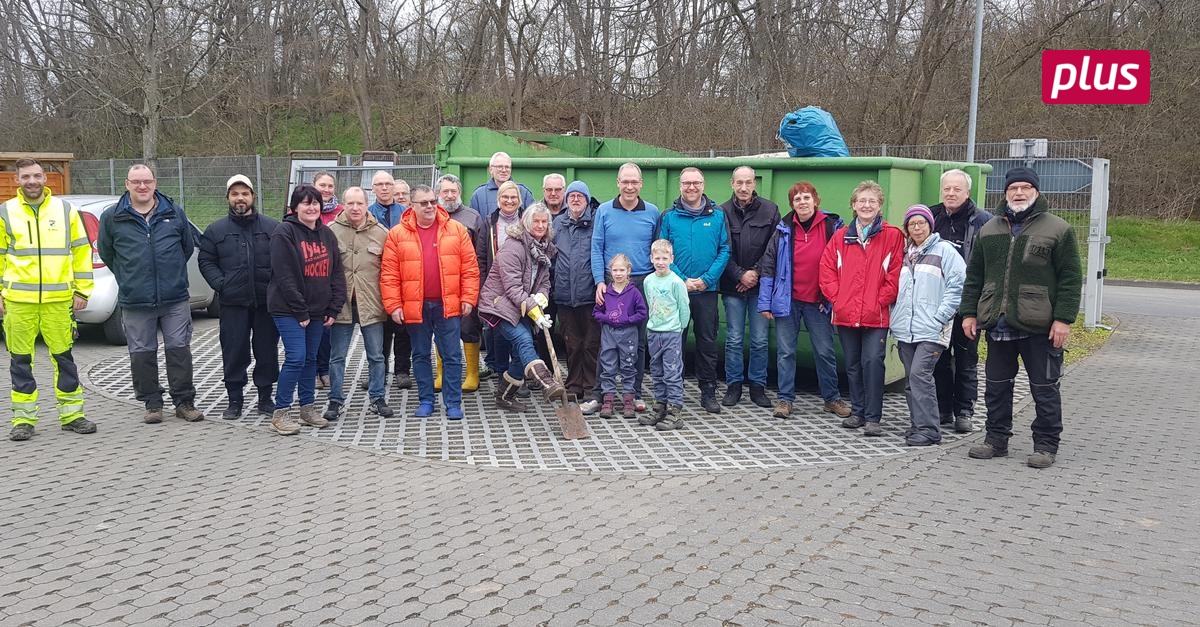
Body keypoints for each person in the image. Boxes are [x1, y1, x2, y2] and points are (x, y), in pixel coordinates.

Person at [961, 168, 1081, 468]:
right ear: (1005, 193)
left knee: (1044, 387)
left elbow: (1070, 278)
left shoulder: (1058, 229)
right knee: (997, 386)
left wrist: (1063, 319)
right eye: (1013, 188)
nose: (1019, 193)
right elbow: (974, 276)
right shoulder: (989, 230)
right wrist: (969, 312)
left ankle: (1046, 444)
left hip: (1040, 326)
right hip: (998, 323)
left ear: (1036, 192)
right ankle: (996, 440)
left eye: (1026, 187)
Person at [98, 164, 206, 424]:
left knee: (179, 350)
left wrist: (169, 274)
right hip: (136, 299)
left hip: (174, 297)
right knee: (142, 353)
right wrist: (129, 276)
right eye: (136, 182)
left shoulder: (174, 213)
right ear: (127, 184)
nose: (142, 186)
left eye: (146, 181)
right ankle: (152, 403)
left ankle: (184, 402)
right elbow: (107, 253)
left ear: (155, 183)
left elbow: (186, 247)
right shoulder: (112, 217)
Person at [2, 158, 96, 441]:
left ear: (45, 178)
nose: (32, 181)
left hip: (58, 300)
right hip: (18, 301)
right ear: (17, 180)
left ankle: (72, 415)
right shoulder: (5, 212)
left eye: (37, 175)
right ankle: (23, 420)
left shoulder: (65, 210)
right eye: (26, 176)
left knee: (64, 359)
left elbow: (81, 252)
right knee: (20, 361)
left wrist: (82, 291)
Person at [381, 185, 480, 420]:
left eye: (433, 202)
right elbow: (389, 274)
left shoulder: (456, 230)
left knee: (452, 355)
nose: (429, 206)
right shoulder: (397, 234)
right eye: (423, 202)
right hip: (416, 305)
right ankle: (426, 400)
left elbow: (470, 268)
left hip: (448, 305)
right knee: (421, 354)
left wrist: (468, 298)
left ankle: (453, 402)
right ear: (411, 206)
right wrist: (394, 305)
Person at [758, 182, 852, 420]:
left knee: (824, 352)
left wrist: (834, 297)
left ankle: (831, 399)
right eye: (797, 199)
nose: (802, 202)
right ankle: (785, 400)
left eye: (806, 197)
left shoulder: (833, 226)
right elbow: (768, 266)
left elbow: (844, 264)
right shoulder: (783, 229)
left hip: (819, 302)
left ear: (815, 200)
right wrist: (765, 302)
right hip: (787, 301)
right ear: (792, 204)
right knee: (786, 352)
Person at [819, 180, 904, 436]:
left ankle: (874, 417)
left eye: (872, 201)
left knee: (872, 362)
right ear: (853, 205)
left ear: (879, 206)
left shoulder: (892, 235)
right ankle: (858, 412)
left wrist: (880, 300)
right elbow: (826, 271)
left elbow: (896, 273)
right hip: (845, 314)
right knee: (853, 364)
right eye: (861, 201)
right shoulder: (840, 236)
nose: (866, 205)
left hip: (876, 315)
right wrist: (839, 298)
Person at [199, 174, 280, 420]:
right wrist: (221, 284)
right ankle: (235, 399)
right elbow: (206, 260)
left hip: (266, 303)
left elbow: (283, 260)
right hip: (233, 304)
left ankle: (266, 398)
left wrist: (276, 287)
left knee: (267, 351)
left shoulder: (272, 227)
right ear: (228, 198)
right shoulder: (215, 230)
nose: (240, 198)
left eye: (245, 193)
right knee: (234, 351)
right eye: (235, 194)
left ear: (253, 197)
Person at [266, 184, 346, 435]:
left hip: (318, 310)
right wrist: (300, 311)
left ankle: (307, 408)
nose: (311, 208)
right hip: (288, 309)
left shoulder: (327, 235)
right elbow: (285, 275)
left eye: (315, 203)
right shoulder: (284, 233)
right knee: (296, 357)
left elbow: (337, 273)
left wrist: (334, 307)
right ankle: (281, 412)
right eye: (305, 203)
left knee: (311, 359)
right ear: (294, 207)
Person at [890, 205, 966, 446]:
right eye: (912, 224)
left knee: (920, 375)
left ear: (930, 226)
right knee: (912, 381)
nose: (917, 227)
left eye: (921, 223)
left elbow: (958, 285)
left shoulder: (945, 251)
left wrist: (940, 316)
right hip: (906, 329)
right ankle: (918, 425)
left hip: (932, 329)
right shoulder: (904, 254)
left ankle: (930, 429)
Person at [657, 167, 731, 414]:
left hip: (706, 292)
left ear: (703, 184)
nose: (691, 187)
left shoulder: (718, 215)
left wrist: (707, 280)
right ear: (680, 186)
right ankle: (670, 392)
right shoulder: (669, 216)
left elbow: (725, 250)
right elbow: (661, 250)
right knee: (673, 342)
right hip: (675, 291)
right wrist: (681, 279)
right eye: (686, 183)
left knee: (707, 343)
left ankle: (708, 391)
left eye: (696, 183)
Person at [478, 203, 564, 411]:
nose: (540, 225)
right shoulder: (513, 246)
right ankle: (546, 382)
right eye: (536, 221)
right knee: (523, 339)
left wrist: (542, 297)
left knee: (520, 353)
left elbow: (544, 282)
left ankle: (504, 397)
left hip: (520, 306)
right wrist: (536, 313)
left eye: (544, 221)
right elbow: (513, 288)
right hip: (498, 305)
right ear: (526, 222)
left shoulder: (545, 249)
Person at [590, 163, 661, 412]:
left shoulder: (652, 212)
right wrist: (600, 280)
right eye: (625, 182)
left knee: (638, 341)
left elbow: (658, 250)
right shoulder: (604, 211)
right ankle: (601, 394)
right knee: (606, 340)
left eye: (634, 182)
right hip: (611, 282)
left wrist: (655, 283)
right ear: (618, 183)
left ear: (641, 184)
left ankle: (635, 393)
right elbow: (596, 247)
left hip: (641, 282)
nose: (629, 187)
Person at [930, 169, 991, 434]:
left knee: (966, 359)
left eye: (957, 189)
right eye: (947, 189)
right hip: (935, 303)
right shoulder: (930, 217)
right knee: (938, 358)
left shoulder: (984, 222)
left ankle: (964, 410)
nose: (951, 193)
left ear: (968, 192)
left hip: (969, 305)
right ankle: (943, 409)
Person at [324, 187, 394, 422]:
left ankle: (377, 397)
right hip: (340, 305)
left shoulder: (381, 233)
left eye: (359, 204)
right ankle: (335, 399)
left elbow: (390, 272)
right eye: (350, 203)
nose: (355, 208)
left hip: (372, 303)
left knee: (376, 355)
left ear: (367, 205)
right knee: (337, 356)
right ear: (343, 204)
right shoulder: (330, 232)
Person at [719, 166, 780, 409]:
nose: (743, 187)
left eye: (748, 182)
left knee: (759, 340)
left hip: (760, 286)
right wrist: (740, 274)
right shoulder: (721, 211)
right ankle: (733, 386)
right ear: (732, 183)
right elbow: (721, 247)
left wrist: (754, 273)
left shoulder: (770, 210)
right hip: (732, 284)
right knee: (733, 338)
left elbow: (773, 247)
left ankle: (758, 387)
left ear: (755, 183)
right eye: (739, 183)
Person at [552, 180, 602, 413]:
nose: (575, 200)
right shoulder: (558, 223)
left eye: (579, 196)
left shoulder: (596, 222)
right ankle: (573, 384)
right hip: (564, 294)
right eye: (571, 196)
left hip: (590, 295)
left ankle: (591, 387)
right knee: (572, 344)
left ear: (587, 199)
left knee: (592, 343)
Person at [436, 174, 488, 392]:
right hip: (438, 283)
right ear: (438, 194)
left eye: (453, 191)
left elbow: (480, 253)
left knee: (468, 327)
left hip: (464, 282)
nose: (449, 195)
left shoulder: (472, 217)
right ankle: (441, 373)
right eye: (445, 191)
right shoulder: (431, 215)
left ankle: (472, 374)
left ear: (460, 192)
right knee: (439, 328)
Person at [366, 171, 412, 390]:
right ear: (373, 188)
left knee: (403, 328)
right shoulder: (367, 214)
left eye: (388, 184)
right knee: (379, 329)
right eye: (380, 184)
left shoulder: (406, 213)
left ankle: (402, 370)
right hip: (374, 279)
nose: (384, 188)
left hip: (404, 279)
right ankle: (379, 370)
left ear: (394, 187)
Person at [640, 239, 691, 431]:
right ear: (651, 258)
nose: (660, 262)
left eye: (664, 258)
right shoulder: (648, 280)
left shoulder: (677, 282)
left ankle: (675, 411)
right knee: (657, 370)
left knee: (672, 372)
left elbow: (683, 307)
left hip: (671, 333)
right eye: (657, 258)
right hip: (654, 332)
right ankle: (659, 406)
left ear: (672, 259)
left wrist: (679, 328)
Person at [481, 180, 527, 381]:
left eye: (513, 197)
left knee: (522, 331)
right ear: (498, 200)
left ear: (519, 200)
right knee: (500, 333)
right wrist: (483, 287)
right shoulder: (489, 223)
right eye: (505, 197)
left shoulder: (527, 221)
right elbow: (481, 257)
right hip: (496, 288)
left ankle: (518, 375)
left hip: (521, 287)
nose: (509, 201)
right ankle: (502, 373)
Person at [593, 254, 648, 419]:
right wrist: (607, 318)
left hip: (629, 333)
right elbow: (596, 312)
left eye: (621, 270)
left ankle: (628, 400)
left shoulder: (634, 293)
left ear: (628, 271)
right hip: (609, 333)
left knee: (628, 366)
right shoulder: (606, 292)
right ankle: (608, 399)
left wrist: (628, 319)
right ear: (610, 271)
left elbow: (642, 313)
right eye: (615, 270)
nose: (618, 273)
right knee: (608, 366)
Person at [311, 171, 341, 389]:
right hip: (311, 279)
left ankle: (325, 369)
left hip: (331, 278)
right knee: (312, 333)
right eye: (322, 185)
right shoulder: (304, 211)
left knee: (328, 332)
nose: (326, 189)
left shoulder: (340, 213)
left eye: (330, 186)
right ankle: (312, 371)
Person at [468, 151, 535, 221]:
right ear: (491, 169)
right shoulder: (479, 195)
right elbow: (473, 224)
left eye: (507, 167)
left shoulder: (524, 193)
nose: (504, 170)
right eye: (500, 167)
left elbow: (532, 221)